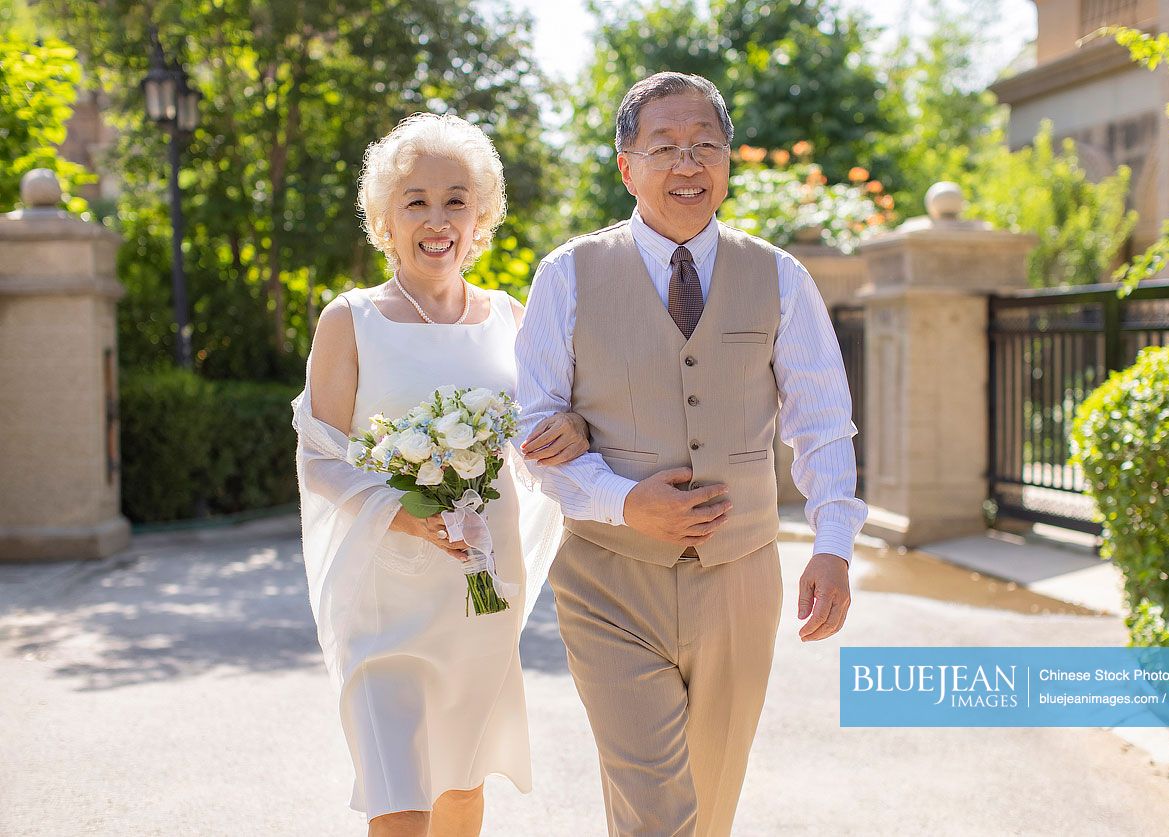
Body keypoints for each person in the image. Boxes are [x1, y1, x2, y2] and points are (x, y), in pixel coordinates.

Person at [515, 72, 869, 836]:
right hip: (607, 580)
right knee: (656, 808)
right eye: (665, 146)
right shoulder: (565, 275)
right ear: (625, 167)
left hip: (739, 578)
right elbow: (535, 429)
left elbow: (822, 423)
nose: (687, 165)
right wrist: (622, 500)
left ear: (729, 161)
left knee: (709, 805)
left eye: (705, 145)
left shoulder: (780, 276)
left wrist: (833, 546)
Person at [291, 112, 586, 837]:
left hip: (479, 596)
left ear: (480, 213)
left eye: (455, 198)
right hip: (385, 595)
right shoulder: (350, 319)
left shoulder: (510, 319)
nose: (436, 217)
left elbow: (544, 433)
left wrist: (570, 429)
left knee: (459, 784)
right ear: (384, 219)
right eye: (415, 200)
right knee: (399, 795)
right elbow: (318, 457)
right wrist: (404, 513)